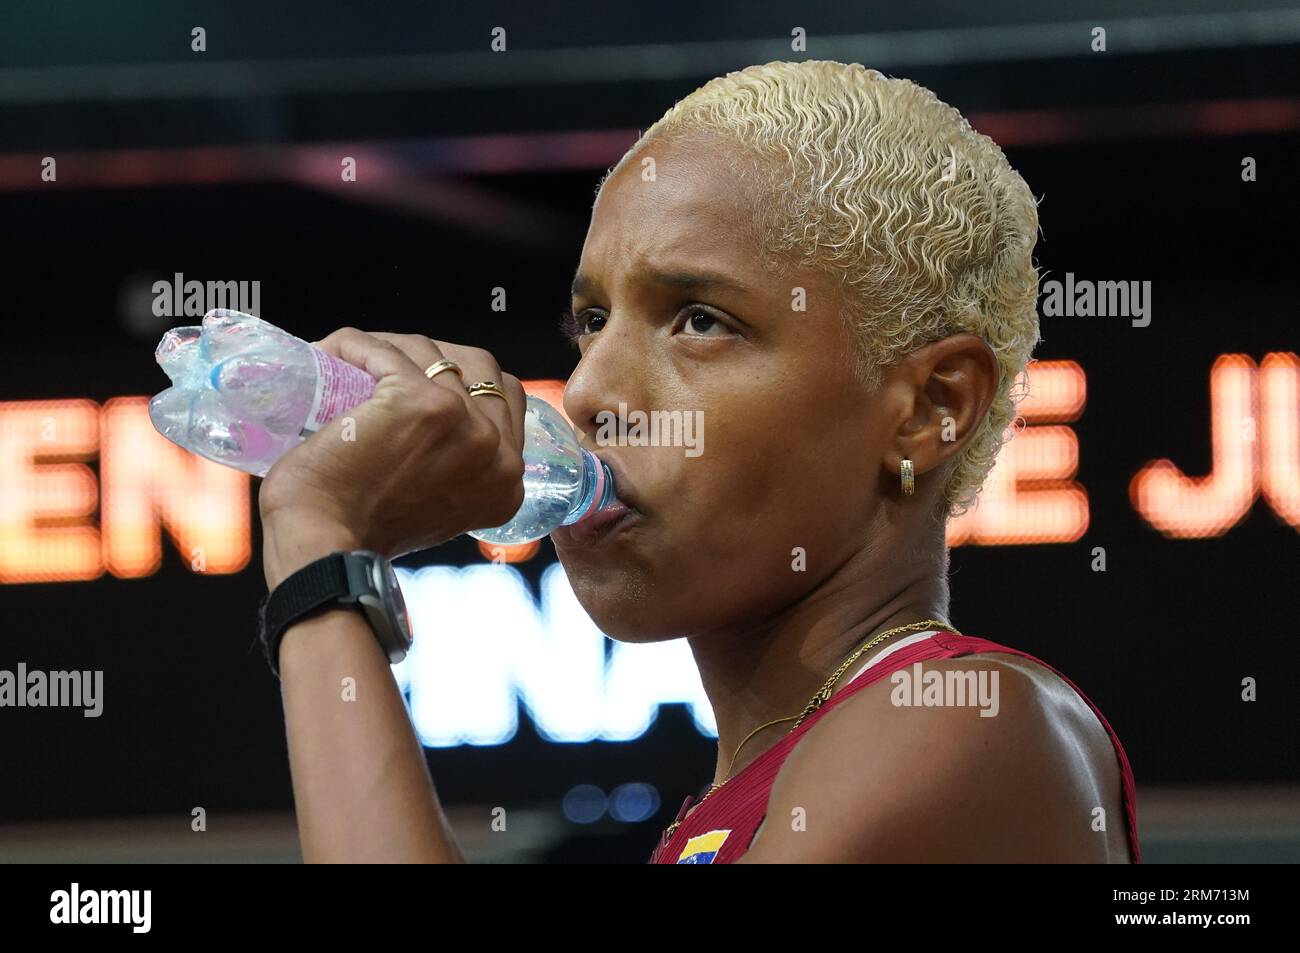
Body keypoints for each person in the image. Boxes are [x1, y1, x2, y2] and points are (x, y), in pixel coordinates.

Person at [257, 60, 1138, 863]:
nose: (592, 391)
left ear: (931, 407)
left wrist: (321, 558)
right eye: (592, 322)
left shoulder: (963, 721)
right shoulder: (731, 806)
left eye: (700, 320)